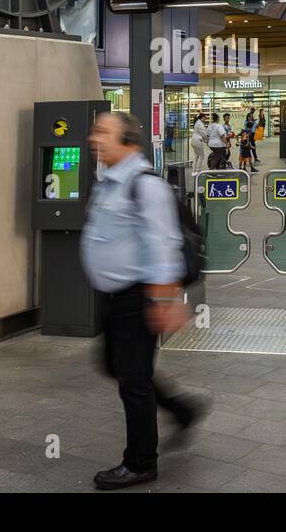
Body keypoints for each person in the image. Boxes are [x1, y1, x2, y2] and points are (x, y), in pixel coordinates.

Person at [80, 111, 202, 490]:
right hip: (114, 297)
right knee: (114, 366)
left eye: (103, 132)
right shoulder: (109, 180)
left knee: (132, 379)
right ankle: (182, 409)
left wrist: (165, 300)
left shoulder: (144, 186)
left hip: (139, 297)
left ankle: (140, 463)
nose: (93, 139)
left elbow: (162, 244)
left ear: (128, 142)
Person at [190, 111, 209, 176]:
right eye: (204, 118)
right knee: (201, 156)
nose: (205, 119)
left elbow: (201, 133)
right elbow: (204, 134)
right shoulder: (200, 124)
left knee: (196, 157)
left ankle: (193, 171)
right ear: (202, 117)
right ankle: (198, 171)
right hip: (197, 141)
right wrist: (207, 139)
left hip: (193, 141)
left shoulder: (197, 122)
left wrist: (205, 139)